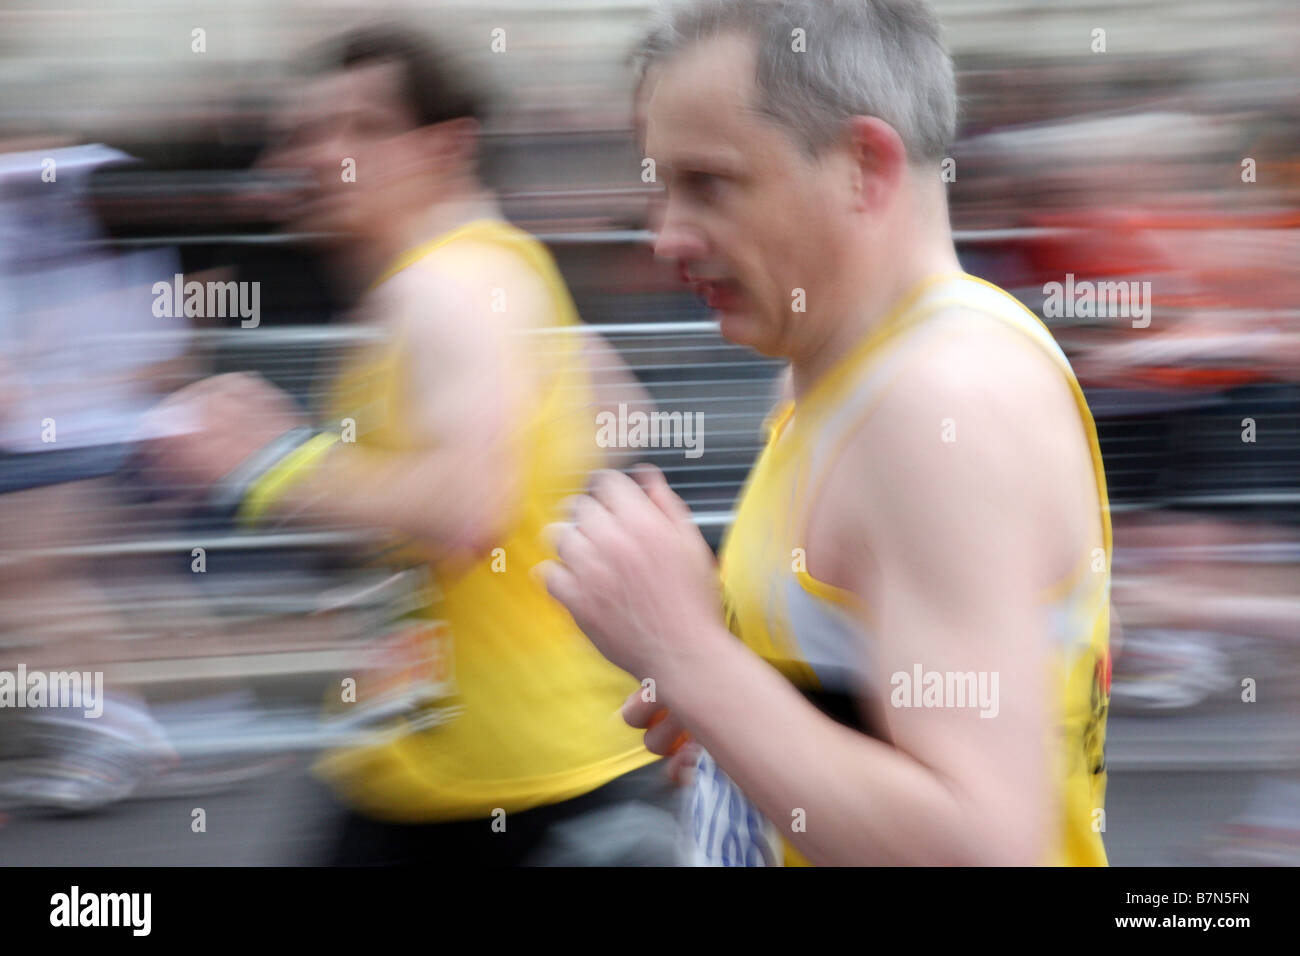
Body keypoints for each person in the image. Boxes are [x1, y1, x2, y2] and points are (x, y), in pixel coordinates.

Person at [542, 0, 1112, 866]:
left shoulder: (938, 407)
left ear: (862, 166)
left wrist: (689, 657)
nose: (667, 236)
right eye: (662, 186)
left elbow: (986, 848)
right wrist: (747, 708)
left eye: (710, 184)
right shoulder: (836, 365)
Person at [144, 25, 678, 865]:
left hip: (506, 777)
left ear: (447, 146)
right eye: (304, 132)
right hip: (454, 756)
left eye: (360, 129)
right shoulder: (489, 267)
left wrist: (266, 462)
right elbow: (626, 419)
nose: (320, 155)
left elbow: (466, 507)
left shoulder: (448, 287)